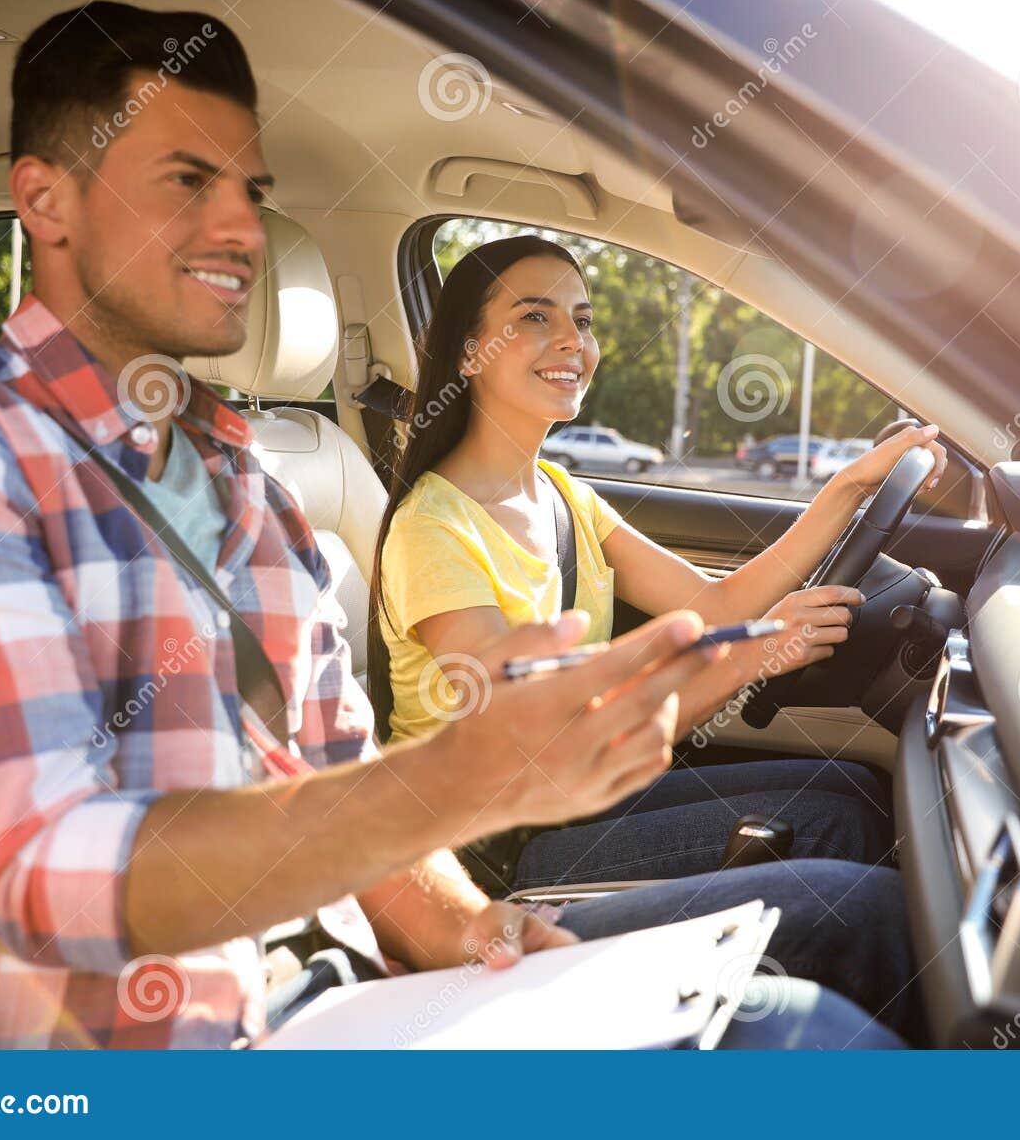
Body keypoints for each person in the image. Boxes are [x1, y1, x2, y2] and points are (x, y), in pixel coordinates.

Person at [0, 1, 912, 1049]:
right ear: (45, 201)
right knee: (808, 1033)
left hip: (340, 1006)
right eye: (188, 181)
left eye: (253, 187)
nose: (242, 226)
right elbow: (44, 874)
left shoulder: (246, 486)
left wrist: (482, 932)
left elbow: (348, 786)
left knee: (815, 983)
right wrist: (463, 781)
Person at [372, 236, 947, 891]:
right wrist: (758, 656)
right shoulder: (432, 529)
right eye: (536, 316)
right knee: (837, 837)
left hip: (575, 798)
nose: (572, 340)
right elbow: (528, 737)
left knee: (859, 790)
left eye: (582, 320)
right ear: (471, 351)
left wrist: (850, 487)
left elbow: (717, 608)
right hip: (485, 850)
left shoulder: (566, 497)